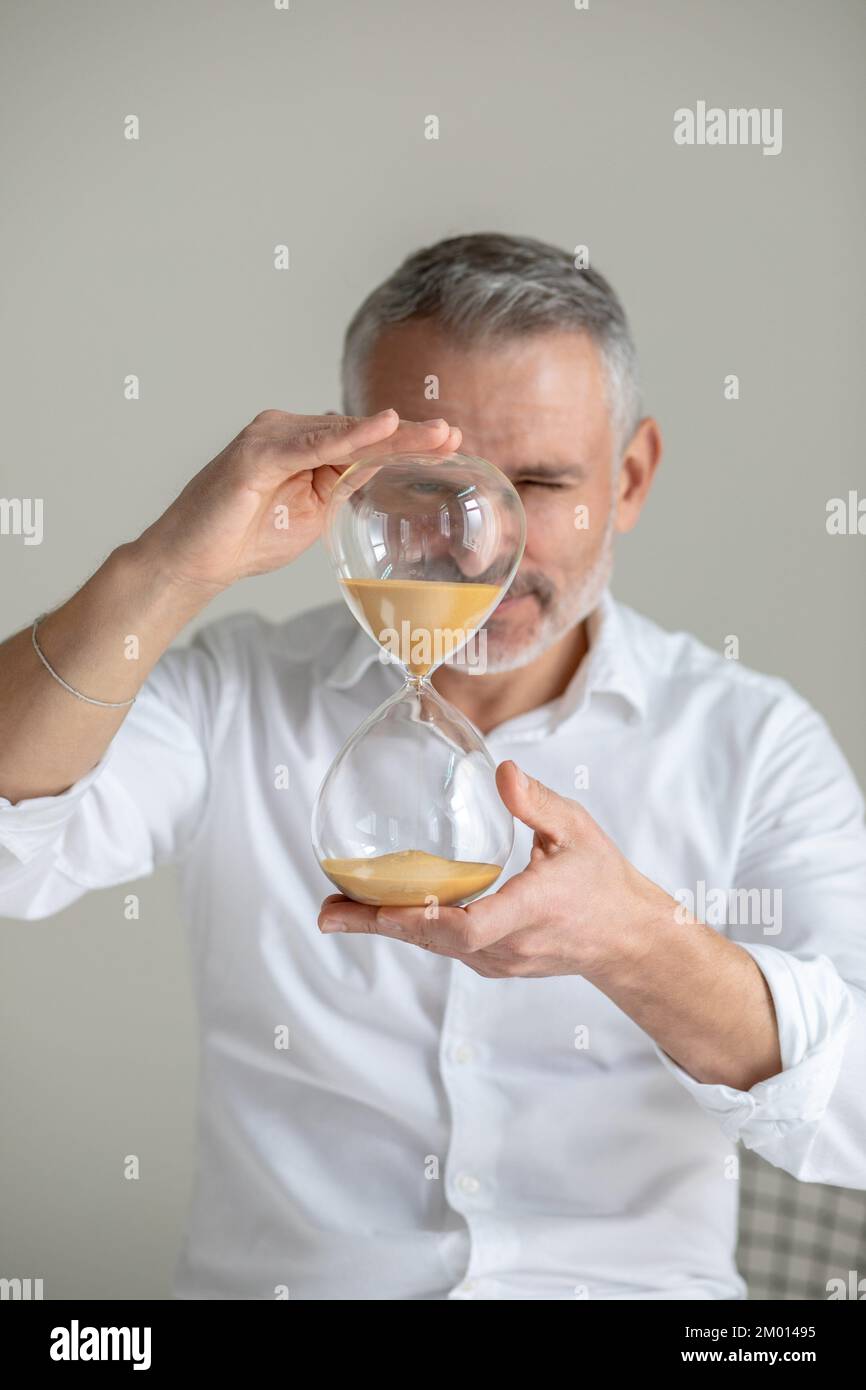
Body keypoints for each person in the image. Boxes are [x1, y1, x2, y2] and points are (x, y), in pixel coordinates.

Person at [1, 232, 863, 1301]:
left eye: (538, 484)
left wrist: (641, 946)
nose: (475, 544)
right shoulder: (238, 691)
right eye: (430, 487)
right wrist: (174, 560)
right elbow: (12, 843)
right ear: (346, 477)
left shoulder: (750, 740)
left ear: (629, 476)